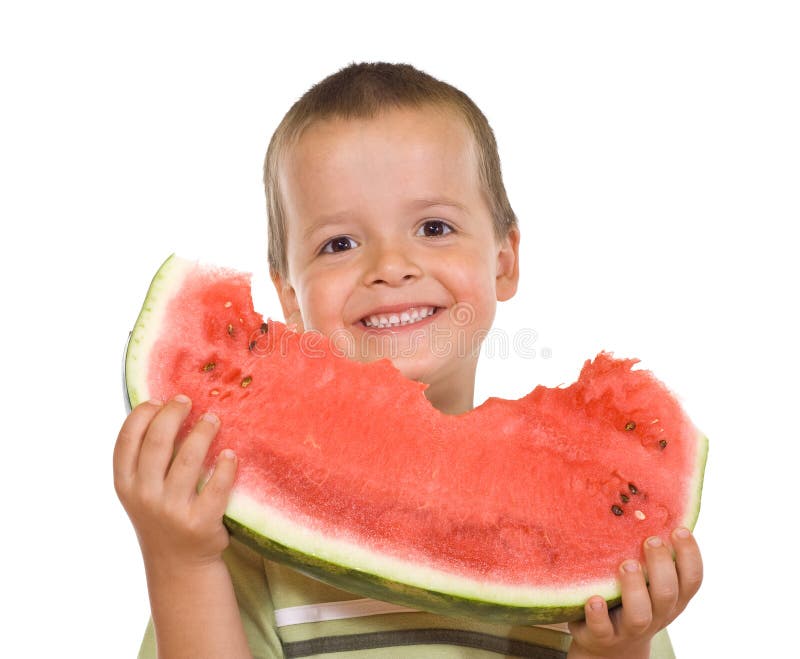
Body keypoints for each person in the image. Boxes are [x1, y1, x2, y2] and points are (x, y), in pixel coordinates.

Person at [114, 62, 703, 659]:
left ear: (504, 260)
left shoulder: (587, 540)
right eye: (339, 244)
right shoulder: (235, 532)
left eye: (434, 226)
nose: (392, 265)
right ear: (290, 295)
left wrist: (619, 648)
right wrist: (180, 563)